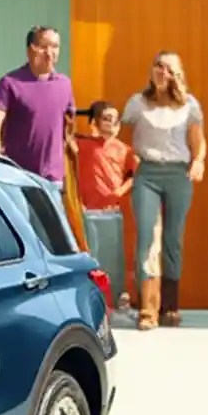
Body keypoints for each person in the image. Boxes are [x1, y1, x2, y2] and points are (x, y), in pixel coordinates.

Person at [120, 50, 207, 330]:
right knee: (147, 237)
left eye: (169, 69)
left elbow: (198, 141)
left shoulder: (189, 106)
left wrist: (198, 162)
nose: (162, 72)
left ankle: (170, 307)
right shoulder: (138, 103)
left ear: (177, 75)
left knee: (172, 239)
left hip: (178, 174)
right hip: (148, 174)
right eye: (158, 66)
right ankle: (147, 309)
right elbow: (122, 139)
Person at [0, 25, 77, 193]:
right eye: (43, 47)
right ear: (30, 50)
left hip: (53, 181)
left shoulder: (64, 84)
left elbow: (69, 128)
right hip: (17, 177)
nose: (50, 53)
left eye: (55, 47)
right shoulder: (10, 83)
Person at [71, 100, 136, 315]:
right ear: (96, 121)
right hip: (87, 211)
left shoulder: (125, 150)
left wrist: (121, 190)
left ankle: (117, 299)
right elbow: (65, 138)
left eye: (114, 119)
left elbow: (133, 175)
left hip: (112, 211)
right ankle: (97, 302)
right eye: (105, 118)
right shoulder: (82, 143)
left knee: (114, 258)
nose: (110, 123)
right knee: (92, 257)